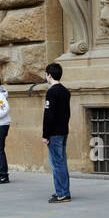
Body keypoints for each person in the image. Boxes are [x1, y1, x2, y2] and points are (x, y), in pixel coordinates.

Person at [42, 63, 71, 203]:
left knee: (56, 163)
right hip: (63, 130)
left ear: (49, 75)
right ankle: (62, 190)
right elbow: (67, 113)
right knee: (61, 162)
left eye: (46, 74)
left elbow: (48, 115)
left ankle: (63, 193)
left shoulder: (51, 92)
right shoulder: (65, 91)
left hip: (54, 133)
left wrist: (45, 134)